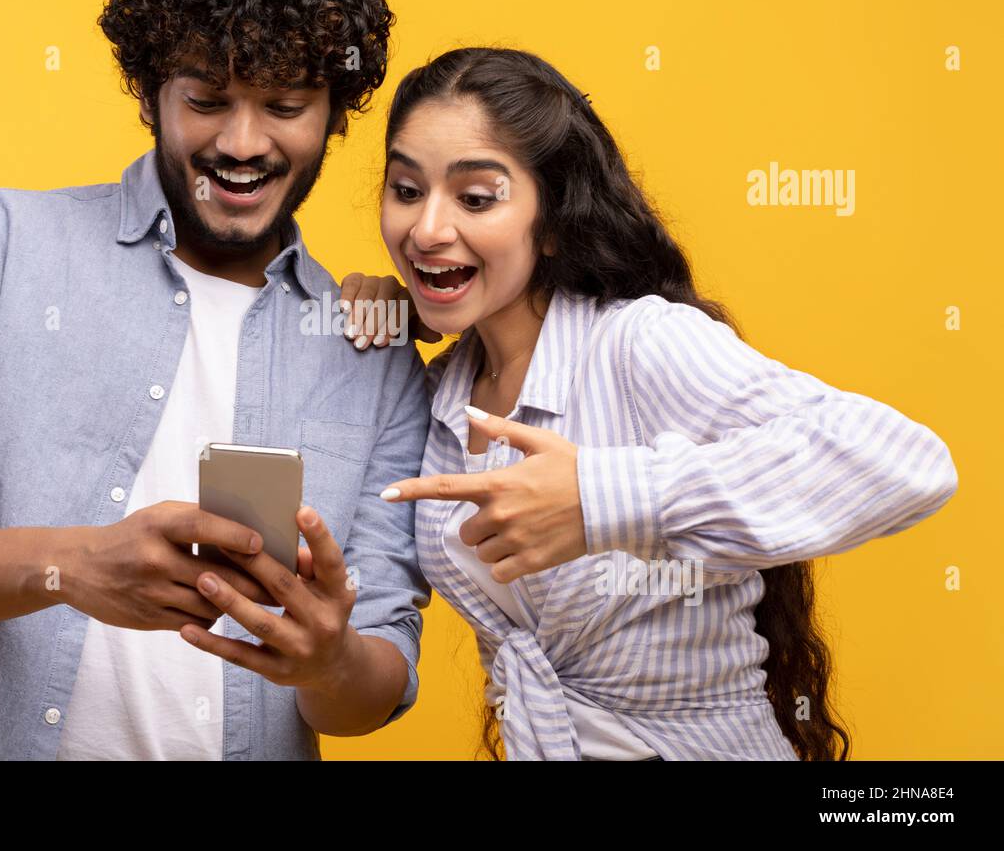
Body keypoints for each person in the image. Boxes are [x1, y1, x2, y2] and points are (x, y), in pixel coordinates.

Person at [0, 0, 431, 761]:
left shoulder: (371, 352)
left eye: (286, 105)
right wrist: (75, 567)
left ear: (335, 116)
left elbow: (374, 687)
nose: (245, 142)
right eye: (208, 97)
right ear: (150, 93)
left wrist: (329, 658)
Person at [339, 46, 959, 760]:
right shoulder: (440, 399)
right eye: (407, 190)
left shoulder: (637, 343)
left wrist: (603, 494)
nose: (425, 229)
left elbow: (910, 462)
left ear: (550, 219)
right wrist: (383, 325)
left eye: (476, 198)